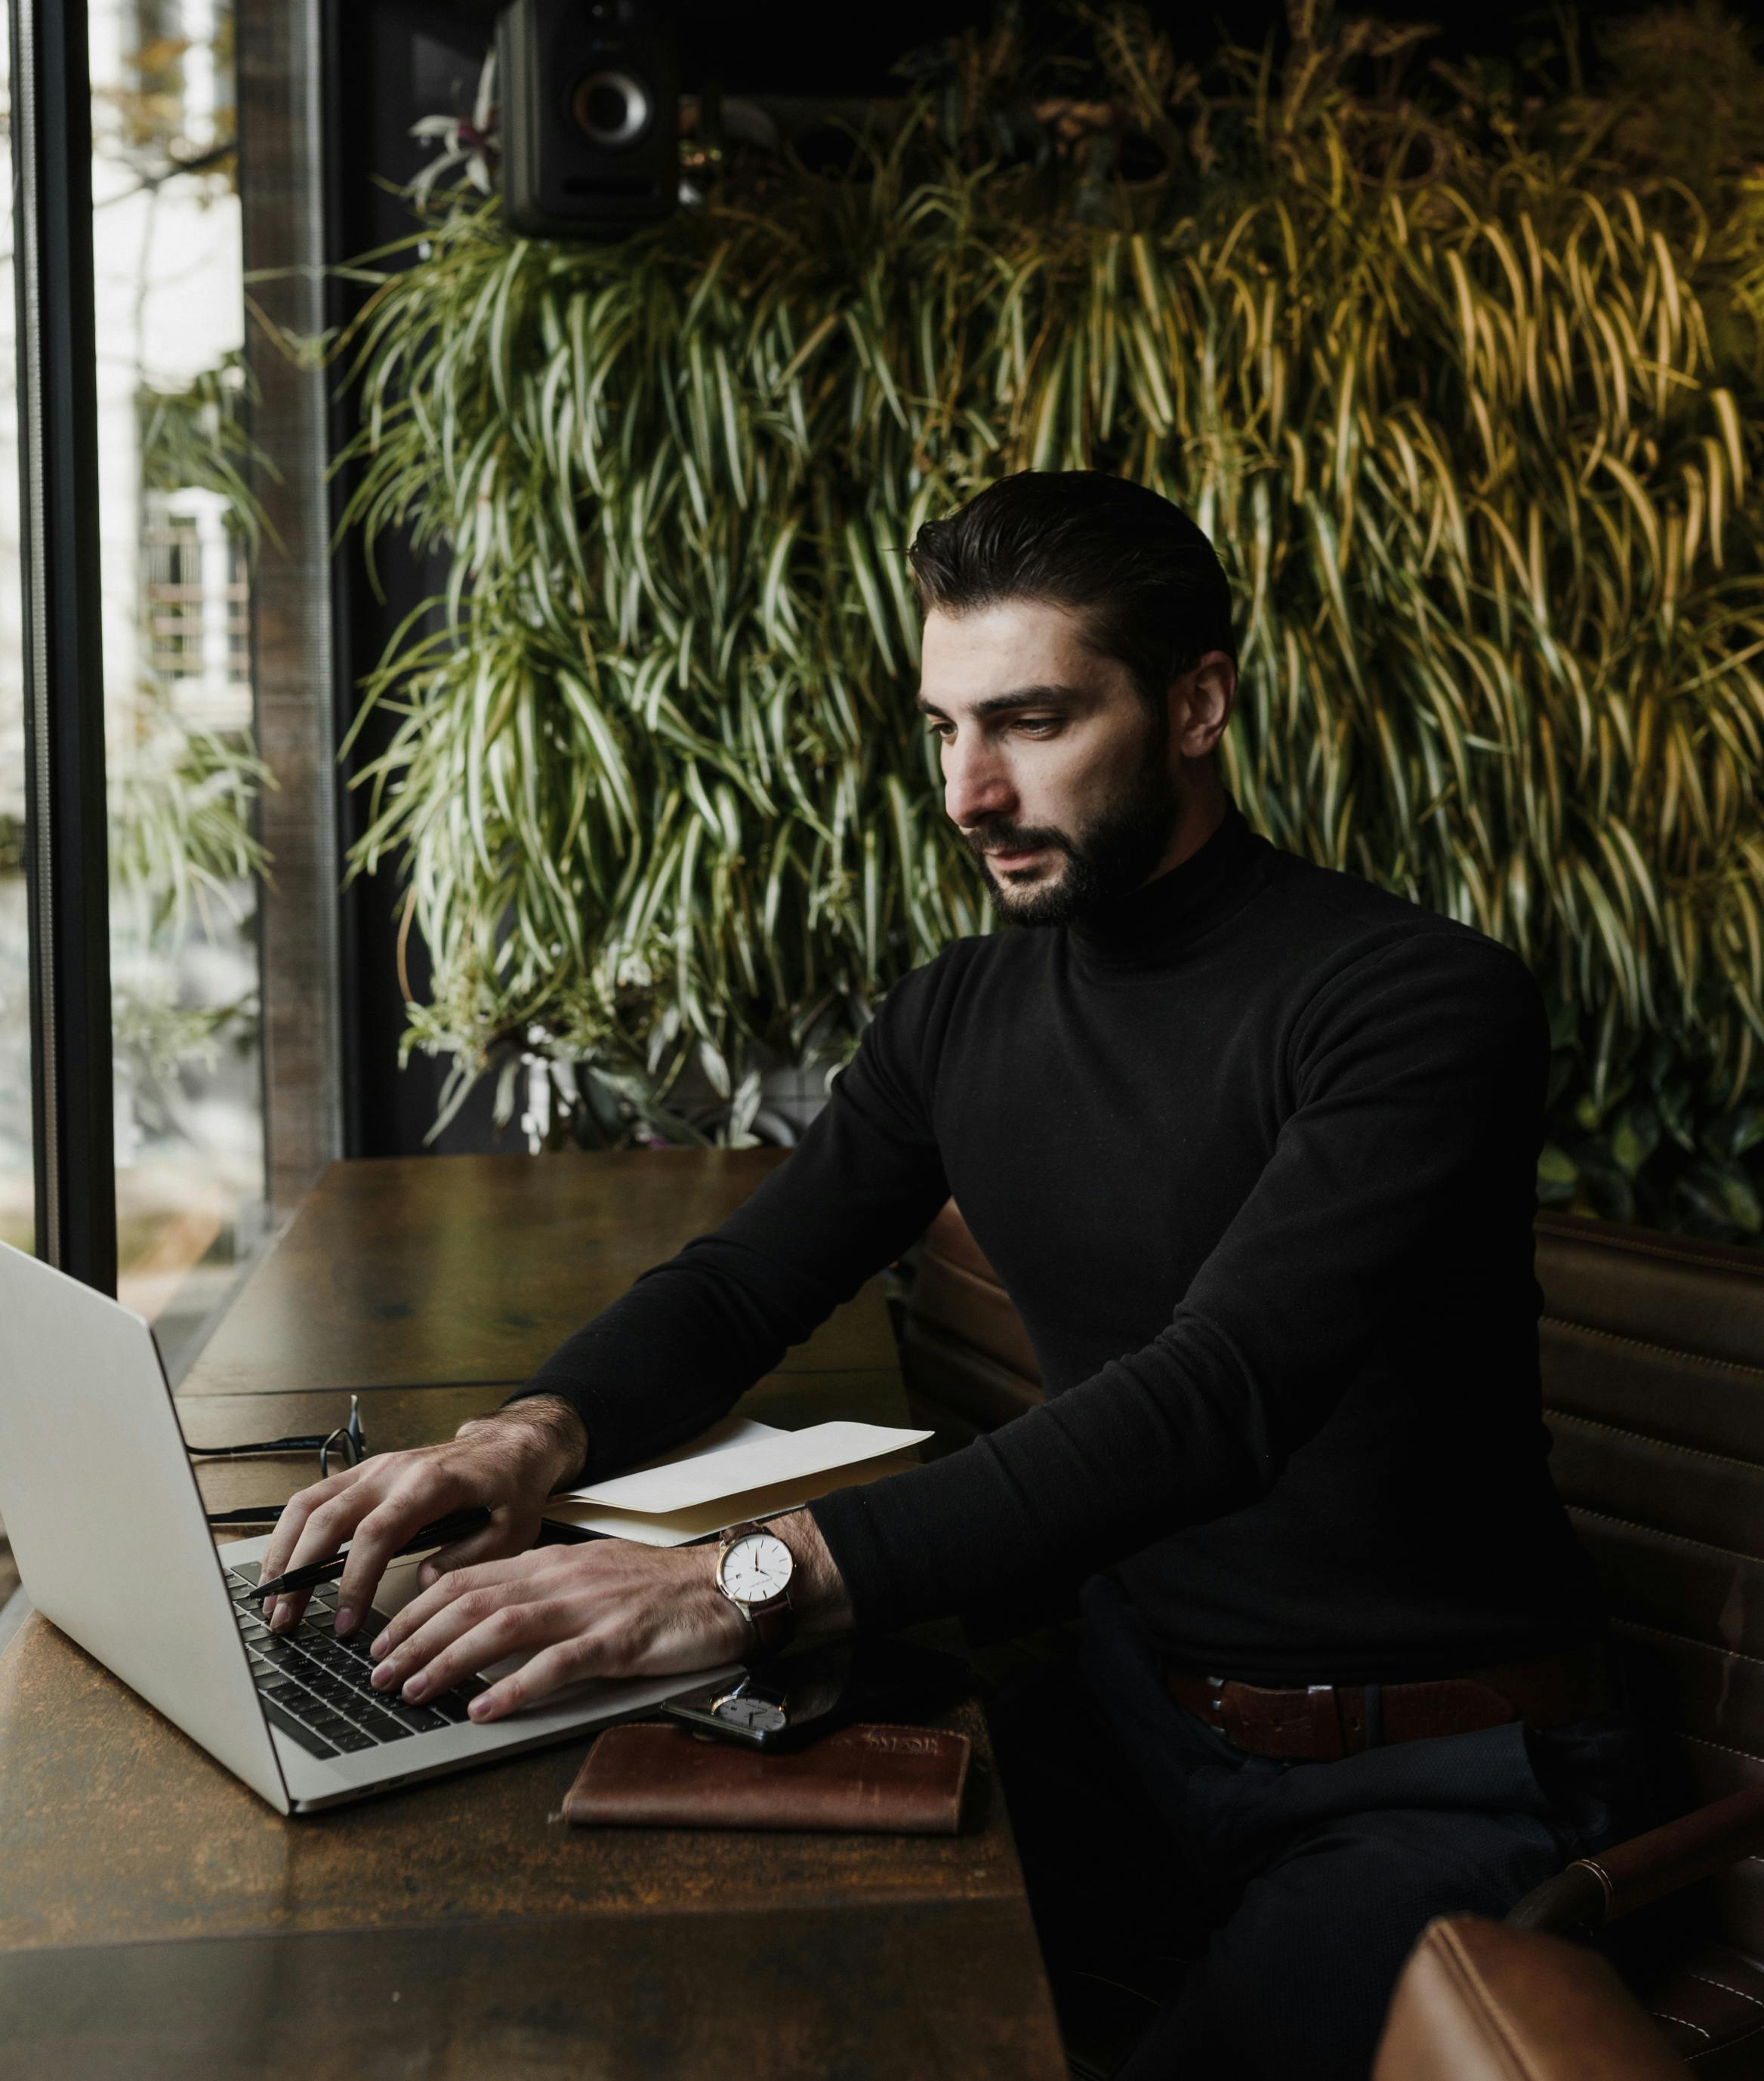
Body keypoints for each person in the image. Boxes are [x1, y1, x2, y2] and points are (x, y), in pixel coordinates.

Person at [260, 470, 1647, 2079]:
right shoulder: (956, 1015)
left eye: (1032, 722)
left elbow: (1220, 1398)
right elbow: (739, 1288)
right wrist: (523, 1438)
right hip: (1125, 1718)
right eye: (941, 728)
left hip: (1440, 1775)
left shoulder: (1414, 1004)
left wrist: (736, 1581)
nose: (968, 791)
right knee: (702, 1978)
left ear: (1198, 704)